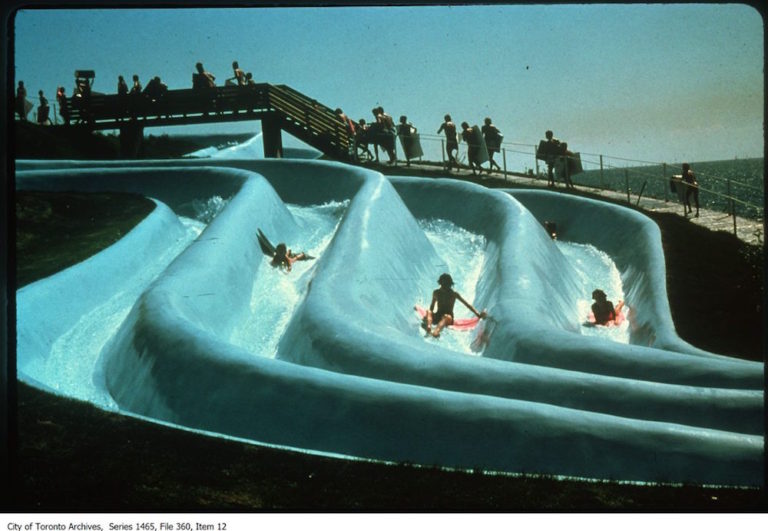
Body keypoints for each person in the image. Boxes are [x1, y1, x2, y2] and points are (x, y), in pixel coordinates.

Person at [424, 273, 487, 338]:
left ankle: (436, 331)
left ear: (450, 285)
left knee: (445, 316)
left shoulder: (454, 294)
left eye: (446, 285)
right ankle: (429, 327)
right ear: (440, 283)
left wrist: (478, 314)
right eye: (443, 285)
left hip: (448, 318)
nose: (445, 287)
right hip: (438, 315)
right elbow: (432, 307)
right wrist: (429, 316)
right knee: (428, 311)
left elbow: (467, 305)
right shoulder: (436, 292)